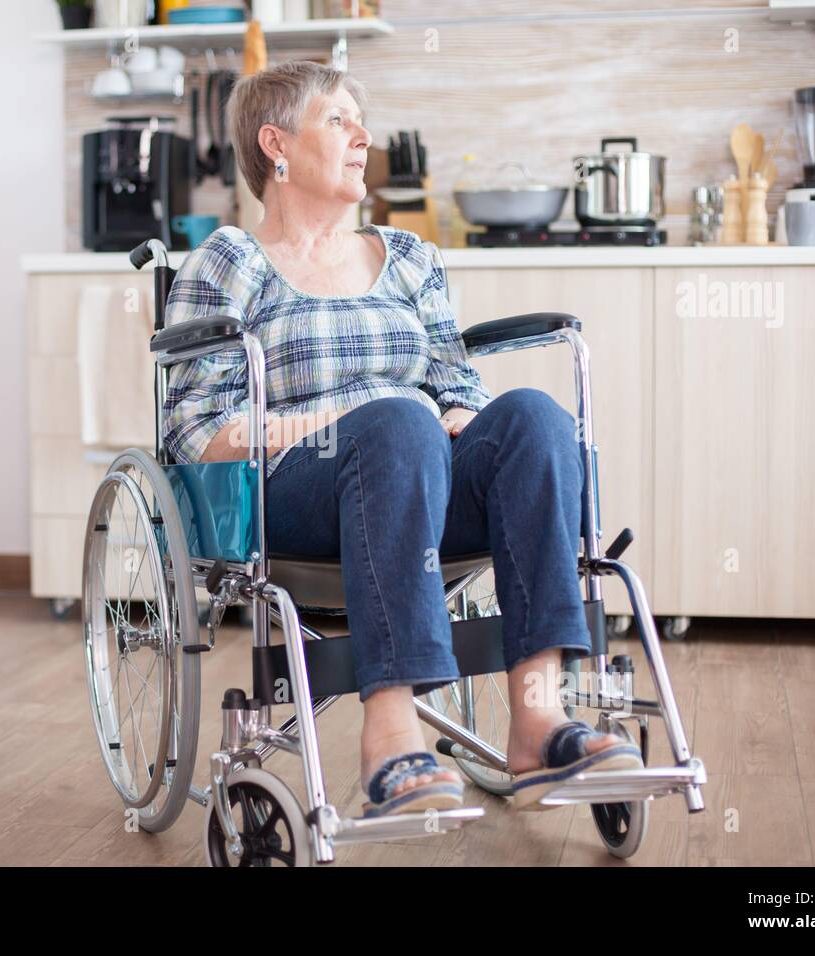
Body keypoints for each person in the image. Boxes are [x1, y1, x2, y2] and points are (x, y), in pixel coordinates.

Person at [161, 61, 641, 816]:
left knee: (535, 420)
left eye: (361, 120)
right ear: (275, 144)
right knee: (398, 421)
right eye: (339, 120)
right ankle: (390, 729)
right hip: (296, 495)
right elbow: (195, 431)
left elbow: (457, 383)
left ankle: (539, 717)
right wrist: (357, 415)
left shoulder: (411, 257)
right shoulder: (232, 261)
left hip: (419, 478)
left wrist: (466, 419)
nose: (364, 137)